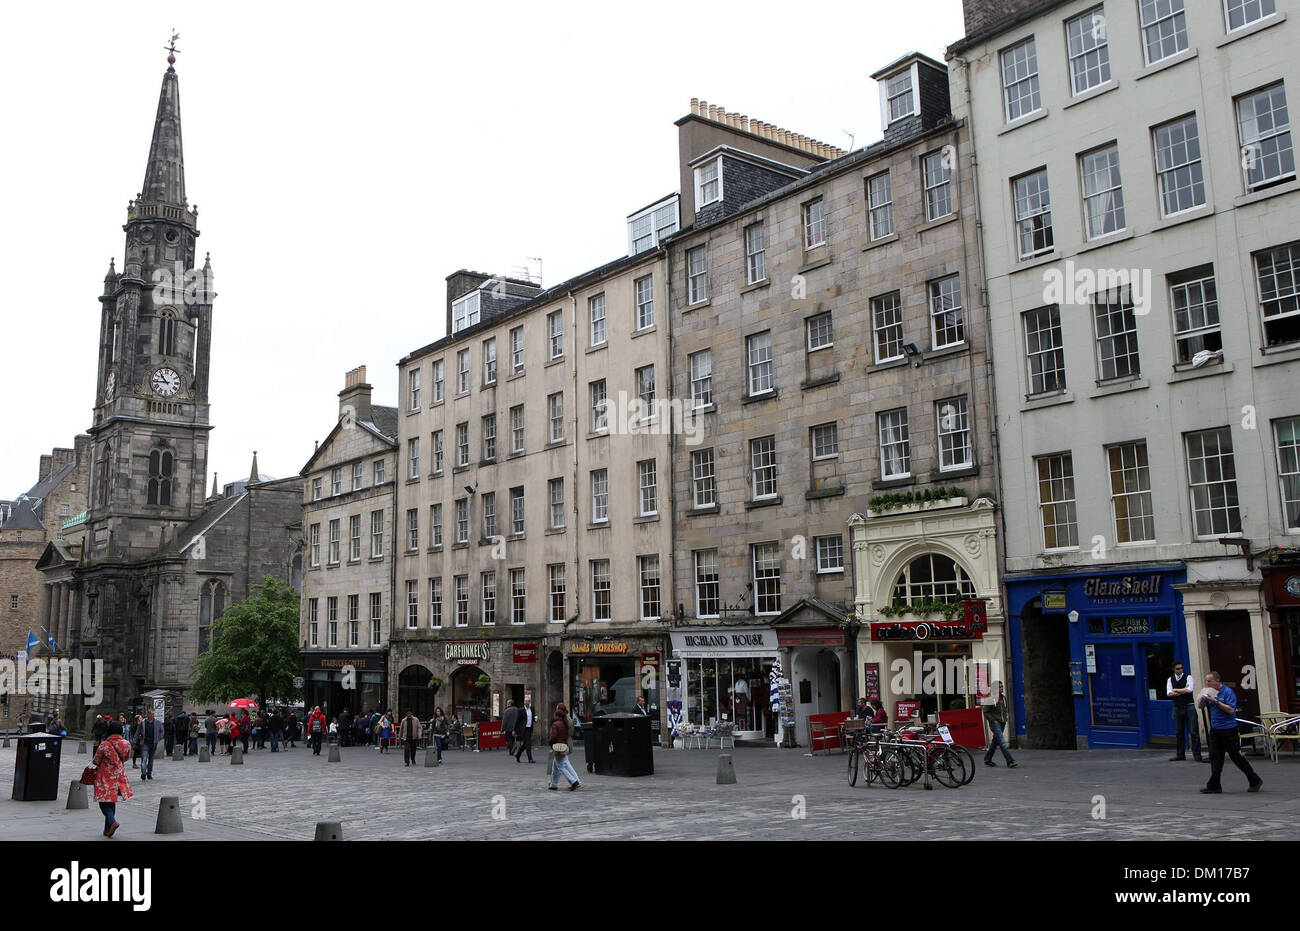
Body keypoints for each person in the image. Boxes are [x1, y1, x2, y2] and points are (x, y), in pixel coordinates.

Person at [1199, 672, 1262, 794]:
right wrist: (1202, 697)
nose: (1207, 683)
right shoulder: (1209, 692)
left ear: (1217, 681)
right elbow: (1200, 706)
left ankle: (1254, 779)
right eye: (1206, 681)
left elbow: (1231, 710)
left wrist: (1216, 702)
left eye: (1209, 681)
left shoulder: (1227, 692)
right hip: (1215, 730)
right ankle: (1214, 785)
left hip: (1228, 729)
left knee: (1236, 756)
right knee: (1215, 757)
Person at [93, 718, 133, 838]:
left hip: (104, 776)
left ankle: (112, 821)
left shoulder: (104, 744)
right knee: (112, 800)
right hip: (118, 775)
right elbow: (126, 758)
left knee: (103, 802)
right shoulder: (126, 743)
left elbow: (96, 760)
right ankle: (107, 829)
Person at [1167, 661, 1204, 762]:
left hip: (1189, 707)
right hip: (1177, 707)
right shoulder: (1170, 679)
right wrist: (1182, 690)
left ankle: (1197, 755)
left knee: (1194, 731)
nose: (1180, 670)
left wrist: (1176, 690)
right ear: (1174, 669)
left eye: (1181, 668)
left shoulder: (1188, 677)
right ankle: (1180, 754)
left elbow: (1189, 690)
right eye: (1178, 668)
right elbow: (1169, 693)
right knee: (1179, 732)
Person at [982, 681, 1018, 768]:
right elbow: (985, 712)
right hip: (995, 723)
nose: (1002, 688)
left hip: (1002, 722)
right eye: (1000, 687)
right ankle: (1010, 761)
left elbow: (1005, 709)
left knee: (995, 741)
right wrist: (993, 720)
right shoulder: (990, 699)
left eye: (1002, 686)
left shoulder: (1004, 698)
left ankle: (987, 759)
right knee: (1002, 741)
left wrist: (1005, 718)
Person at [547, 703, 582, 791]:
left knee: (561, 766)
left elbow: (554, 736)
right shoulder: (565, 722)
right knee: (556, 766)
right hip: (564, 745)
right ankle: (553, 784)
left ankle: (574, 781)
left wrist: (550, 743)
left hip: (559, 746)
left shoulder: (556, 724)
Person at [135, 709, 162, 780]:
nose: (152, 715)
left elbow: (162, 731)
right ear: (147, 714)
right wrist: (135, 741)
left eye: (153, 714)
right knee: (144, 759)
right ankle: (143, 773)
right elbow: (137, 732)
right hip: (145, 743)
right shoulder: (142, 723)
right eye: (150, 714)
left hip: (153, 743)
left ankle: (149, 773)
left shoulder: (158, 723)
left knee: (151, 760)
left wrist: (158, 738)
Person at [514, 697, 535, 763]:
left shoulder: (532, 709)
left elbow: (533, 717)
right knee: (528, 743)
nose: (527, 702)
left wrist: (535, 719)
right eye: (526, 701)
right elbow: (517, 720)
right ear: (524, 702)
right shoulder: (521, 710)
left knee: (525, 744)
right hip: (523, 729)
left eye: (528, 701)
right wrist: (515, 730)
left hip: (529, 728)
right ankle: (530, 759)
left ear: (530, 702)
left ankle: (518, 754)